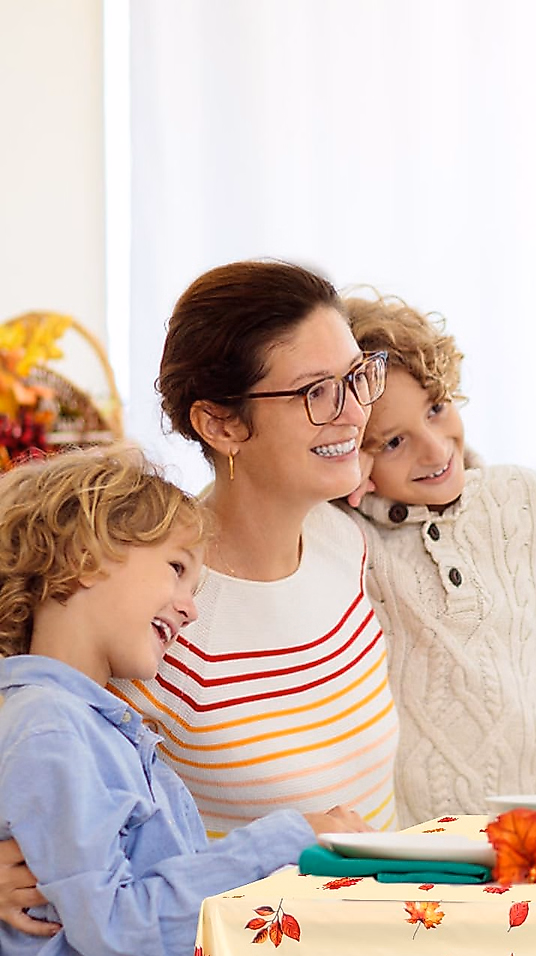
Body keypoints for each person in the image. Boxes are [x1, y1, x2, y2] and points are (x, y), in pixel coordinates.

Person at [0, 448, 368, 956]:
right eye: (174, 568)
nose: (191, 607)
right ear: (82, 558)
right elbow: (121, 926)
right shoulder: (49, 726)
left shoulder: (91, 727)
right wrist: (281, 841)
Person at [107, 260, 402, 838]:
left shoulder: (345, 542)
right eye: (316, 391)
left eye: (356, 376)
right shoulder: (155, 610)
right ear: (220, 424)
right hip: (256, 930)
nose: (353, 413)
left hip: (405, 921)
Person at [342, 292, 536, 820]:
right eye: (393, 441)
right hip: (416, 851)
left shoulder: (521, 501)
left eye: (437, 409)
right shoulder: (343, 541)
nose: (437, 449)